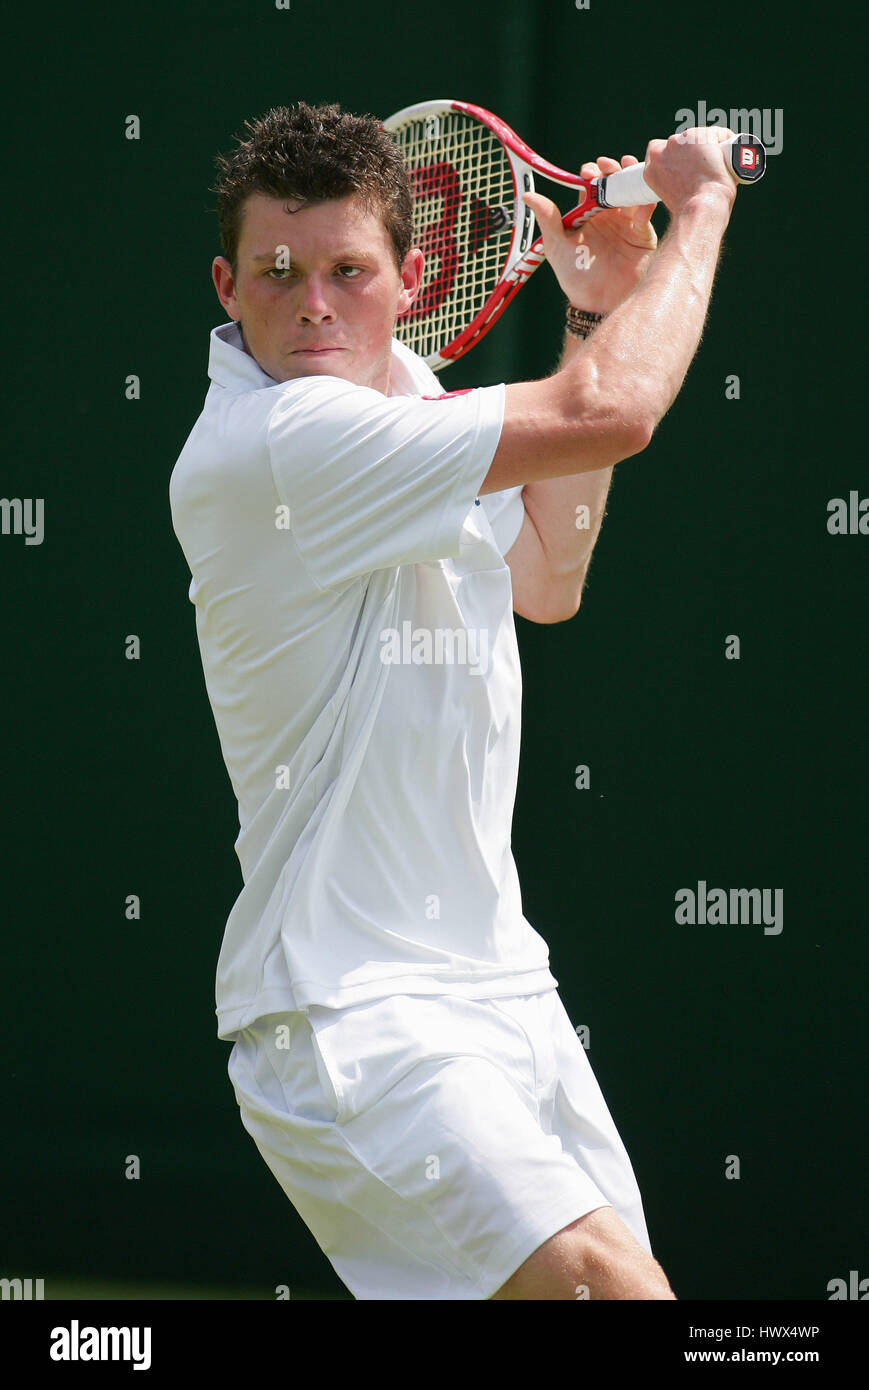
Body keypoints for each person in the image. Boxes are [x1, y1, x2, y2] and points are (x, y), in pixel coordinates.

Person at [169, 101, 738, 1300]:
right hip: (351, 1013)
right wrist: (699, 211)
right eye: (276, 272)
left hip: (499, 989)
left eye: (345, 270)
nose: (312, 302)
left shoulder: (403, 403)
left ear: (413, 280)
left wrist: (598, 308)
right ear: (227, 284)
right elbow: (609, 415)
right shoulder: (279, 440)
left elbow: (546, 575)